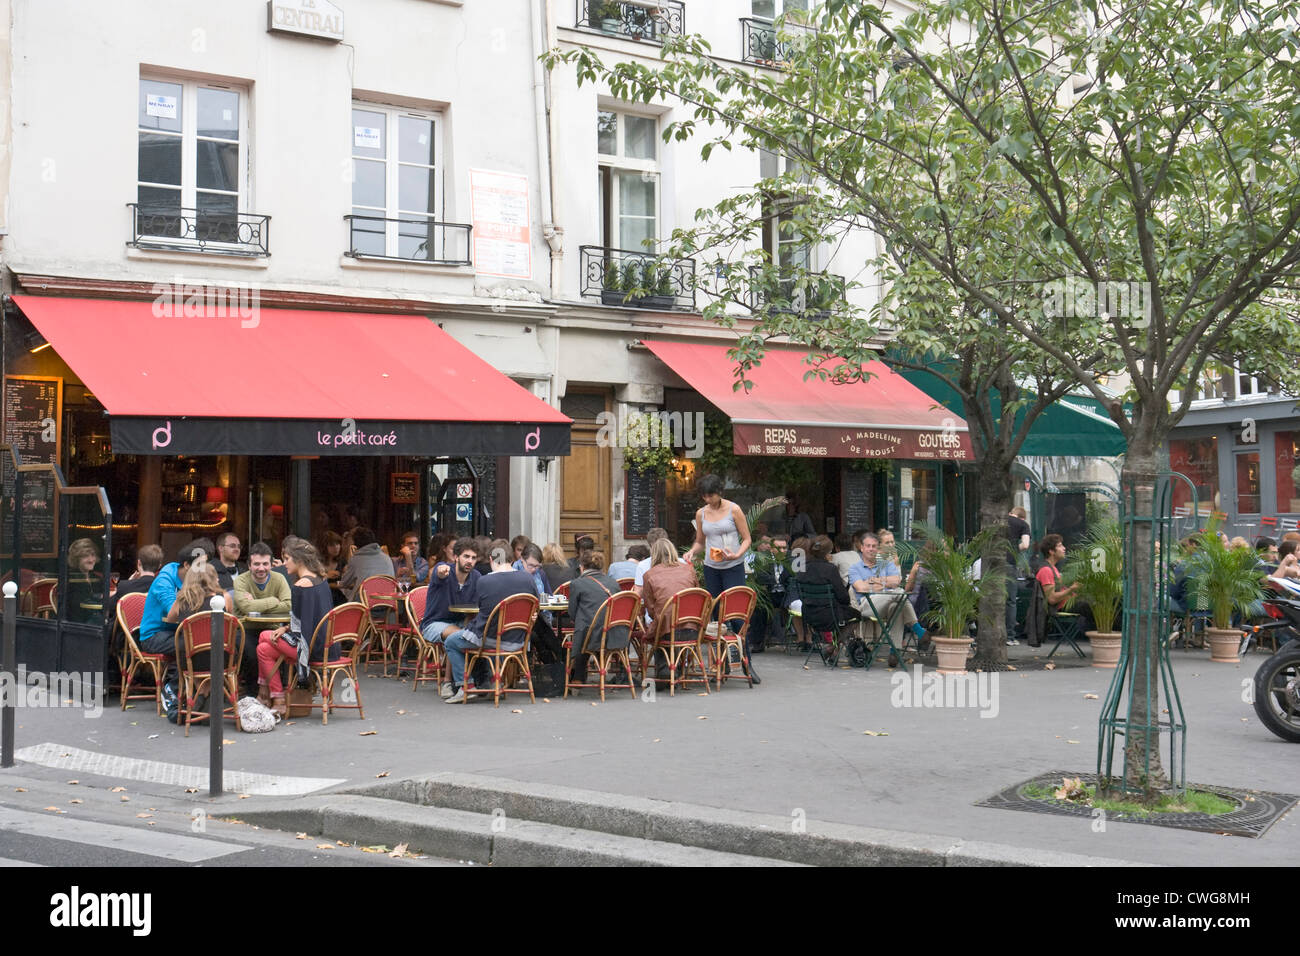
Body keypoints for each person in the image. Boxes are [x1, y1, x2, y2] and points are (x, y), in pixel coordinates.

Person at [442, 542, 537, 704]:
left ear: (493, 559)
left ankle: (466, 686)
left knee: (451, 641)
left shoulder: (485, 581)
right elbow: (535, 607)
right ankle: (494, 682)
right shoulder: (528, 579)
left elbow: (480, 609)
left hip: (493, 639)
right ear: (511, 558)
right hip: (518, 640)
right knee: (491, 633)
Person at [255, 541, 334, 718]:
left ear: (299, 560)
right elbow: (310, 619)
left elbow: (300, 630)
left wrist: (287, 629)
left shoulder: (300, 586)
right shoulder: (321, 579)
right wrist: (285, 629)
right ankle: (278, 700)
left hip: (308, 649)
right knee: (263, 650)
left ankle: (265, 692)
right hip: (326, 645)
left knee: (263, 635)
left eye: (287, 558)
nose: (285, 563)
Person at [683, 474, 752, 632]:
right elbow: (700, 542)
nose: (708, 500)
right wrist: (692, 552)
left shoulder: (734, 509)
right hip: (711, 567)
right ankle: (720, 653)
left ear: (719, 491)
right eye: (704, 496)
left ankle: (742, 653)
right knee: (715, 610)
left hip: (733, 565)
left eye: (711, 496)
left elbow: (747, 539)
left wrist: (737, 554)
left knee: (735, 613)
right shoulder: (701, 513)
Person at [421, 537, 480, 698]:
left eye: (473, 558)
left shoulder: (476, 577)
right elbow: (439, 572)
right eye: (466, 557)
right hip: (434, 623)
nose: (470, 561)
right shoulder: (444, 569)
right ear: (455, 557)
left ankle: (455, 681)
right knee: (458, 636)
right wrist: (441, 572)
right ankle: (455, 682)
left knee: (464, 633)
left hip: (460, 621)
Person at [139, 539, 213, 661]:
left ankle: (190, 678)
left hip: (179, 632)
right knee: (195, 644)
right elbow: (175, 613)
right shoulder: (164, 581)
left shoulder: (197, 579)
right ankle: (176, 680)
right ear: (186, 565)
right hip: (154, 635)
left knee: (210, 641)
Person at [641, 536, 701, 682]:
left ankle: (663, 668)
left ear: (653, 554)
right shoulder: (689, 571)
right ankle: (678, 668)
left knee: (658, 627)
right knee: (666, 624)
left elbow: (651, 609)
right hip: (693, 630)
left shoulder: (649, 574)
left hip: (667, 631)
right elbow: (699, 596)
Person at [849, 532, 923, 647]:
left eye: (874, 546)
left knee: (896, 606)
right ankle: (919, 630)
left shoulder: (886, 564)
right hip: (867, 606)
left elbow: (896, 581)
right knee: (900, 592)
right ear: (862, 548)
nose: (871, 549)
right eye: (868, 546)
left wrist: (874, 580)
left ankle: (895, 652)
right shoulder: (855, 568)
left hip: (887, 604)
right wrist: (886, 583)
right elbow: (861, 587)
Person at [566, 550, 625, 683]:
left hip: (590, 635)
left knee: (584, 630)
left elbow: (572, 612)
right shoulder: (613, 583)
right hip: (614, 633)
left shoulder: (577, 583)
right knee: (590, 626)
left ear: (582, 567)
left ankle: (577, 678)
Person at [795, 535, 859, 645]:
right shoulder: (830, 569)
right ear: (829, 551)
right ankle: (834, 647)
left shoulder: (802, 568)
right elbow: (843, 598)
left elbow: (800, 595)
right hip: (830, 616)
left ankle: (833, 647)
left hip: (808, 616)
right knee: (857, 616)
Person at [105, 544, 164, 658]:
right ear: (159, 566)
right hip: (156, 637)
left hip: (128, 641)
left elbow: (110, 606)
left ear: (139, 563)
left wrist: (128, 582)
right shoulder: (163, 588)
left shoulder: (125, 586)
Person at [1027, 533, 1078, 647]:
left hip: (1070, 602)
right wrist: (1071, 589)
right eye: (1060, 546)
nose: (1064, 548)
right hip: (1062, 607)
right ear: (1051, 551)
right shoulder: (1046, 570)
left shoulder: (1053, 568)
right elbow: (1052, 599)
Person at [232, 543, 292, 617]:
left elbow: (289, 605)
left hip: (273, 627)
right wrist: (273, 601)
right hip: (245, 627)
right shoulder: (240, 580)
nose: (261, 568)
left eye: (265, 564)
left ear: (271, 565)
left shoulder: (279, 578)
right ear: (249, 566)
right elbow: (246, 607)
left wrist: (254, 605)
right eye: (257, 564)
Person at [339, 527, 393, 600]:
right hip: (387, 603)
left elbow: (344, 583)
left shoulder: (356, 559)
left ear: (355, 542)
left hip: (364, 604)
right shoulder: (386, 557)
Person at [1004, 506, 1032, 645]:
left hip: (992, 565)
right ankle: (1009, 636)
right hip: (1009, 564)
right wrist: (1014, 549)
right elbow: (1026, 545)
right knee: (1010, 600)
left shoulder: (1000, 521)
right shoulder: (1023, 525)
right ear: (1022, 517)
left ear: (1011, 513)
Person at [65, 537, 103, 624]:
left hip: (94, 618)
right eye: (86, 556)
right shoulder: (70, 578)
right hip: (77, 622)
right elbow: (77, 606)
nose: (91, 560)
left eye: (93, 555)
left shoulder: (96, 578)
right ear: (76, 559)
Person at [632, 528, 669, 593]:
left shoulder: (642, 565)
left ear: (650, 545)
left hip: (655, 602)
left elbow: (638, 593)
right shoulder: (682, 563)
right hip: (678, 602)